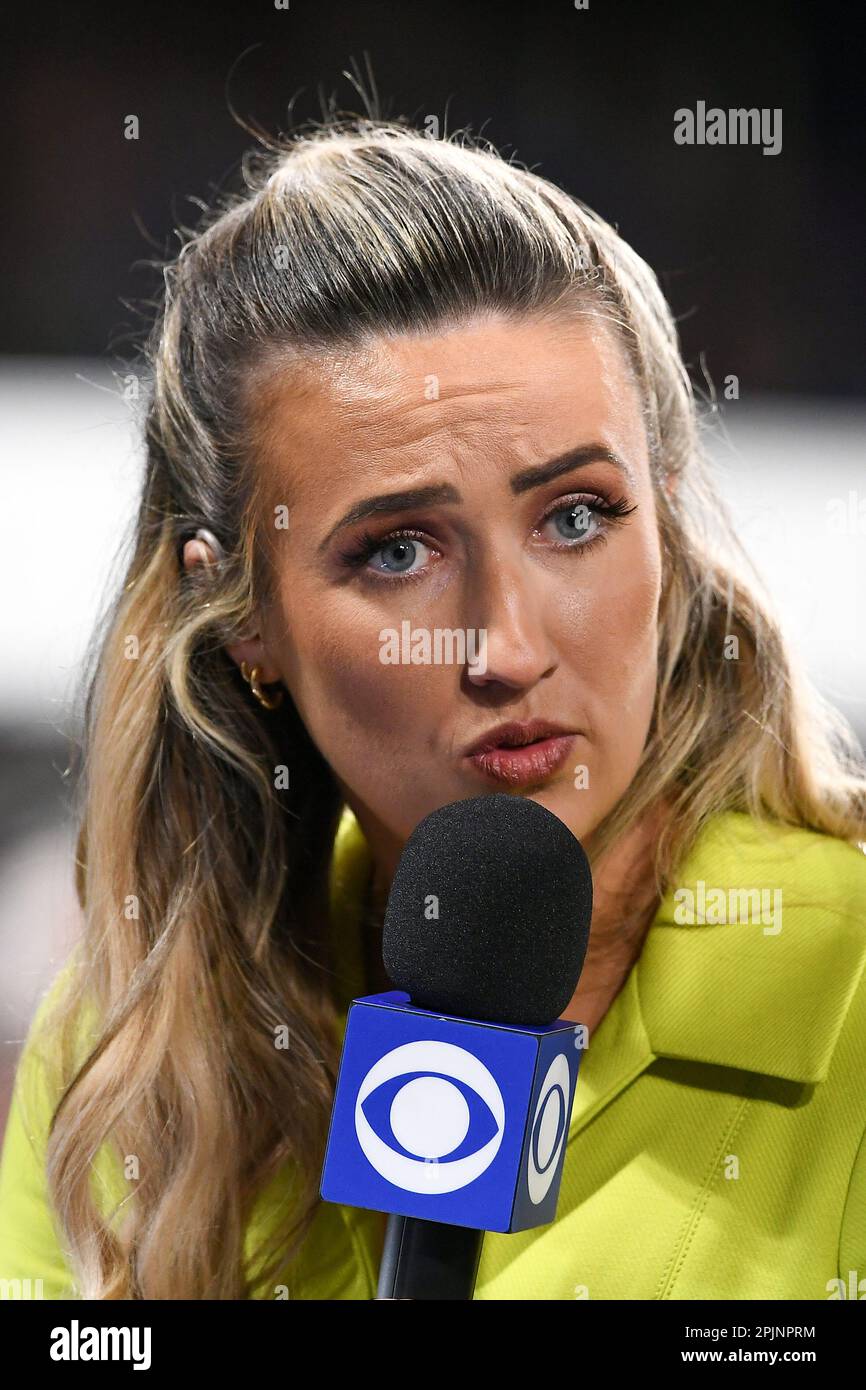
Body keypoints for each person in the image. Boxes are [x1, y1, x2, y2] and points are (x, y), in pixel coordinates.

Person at [1, 116, 864, 1301]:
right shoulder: (120, 1052)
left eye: (575, 516)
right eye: (397, 549)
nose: (506, 646)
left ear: (666, 525)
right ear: (240, 611)